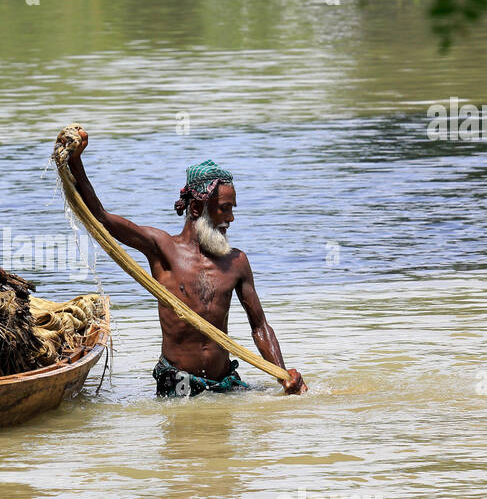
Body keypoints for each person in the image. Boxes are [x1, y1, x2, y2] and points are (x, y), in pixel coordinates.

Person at [62, 127, 307, 397]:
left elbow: (259, 326)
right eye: (224, 209)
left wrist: (283, 374)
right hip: (177, 385)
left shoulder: (237, 262)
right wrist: (75, 162)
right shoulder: (162, 249)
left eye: (232, 209)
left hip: (225, 383)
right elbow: (102, 218)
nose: (231, 219)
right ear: (195, 209)